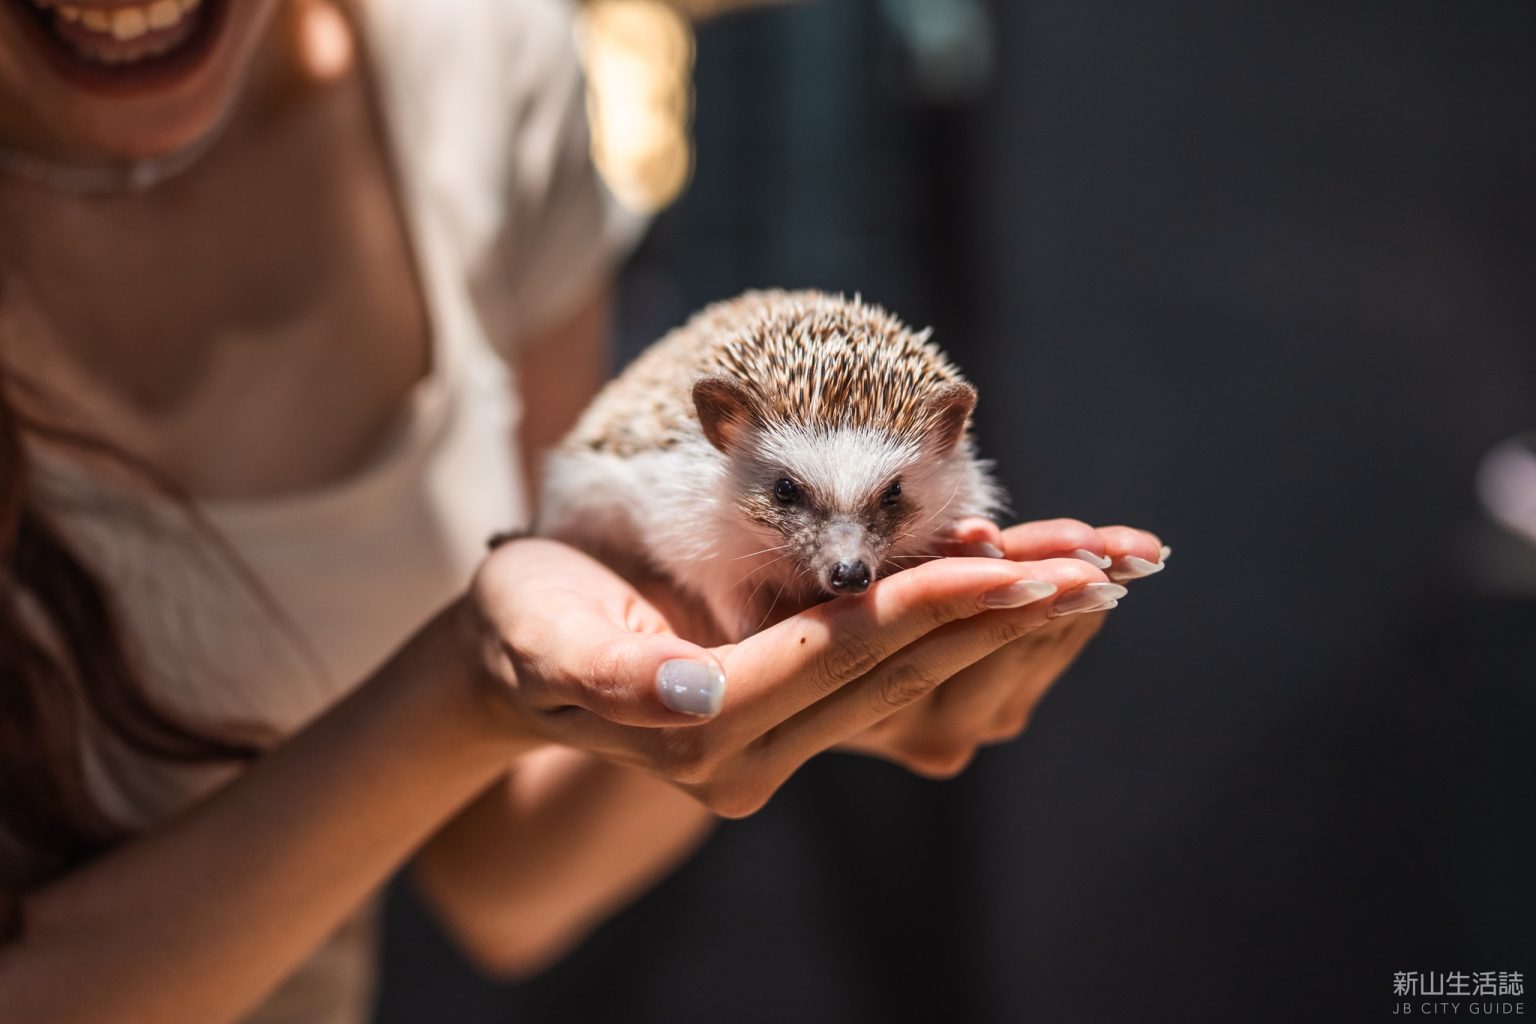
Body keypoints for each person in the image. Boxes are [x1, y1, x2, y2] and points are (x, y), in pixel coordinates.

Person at [0, 0, 1166, 1020]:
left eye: (888, 507)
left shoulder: (480, 45)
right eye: (795, 501)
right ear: (728, 441)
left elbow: (501, 886)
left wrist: (743, 707)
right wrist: (461, 685)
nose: (850, 559)